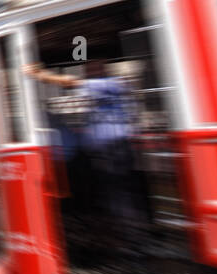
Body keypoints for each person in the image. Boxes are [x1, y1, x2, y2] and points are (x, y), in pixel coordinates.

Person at [26, 58, 140, 245]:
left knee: (119, 196)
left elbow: (72, 82)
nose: (89, 74)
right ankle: (120, 234)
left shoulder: (109, 84)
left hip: (114, 150)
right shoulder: (104, 91)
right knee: (109, 194)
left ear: (102, 70)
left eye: (92, 70)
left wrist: (38, 74)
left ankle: (131, 238)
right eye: (88, 70)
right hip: (103, 152)